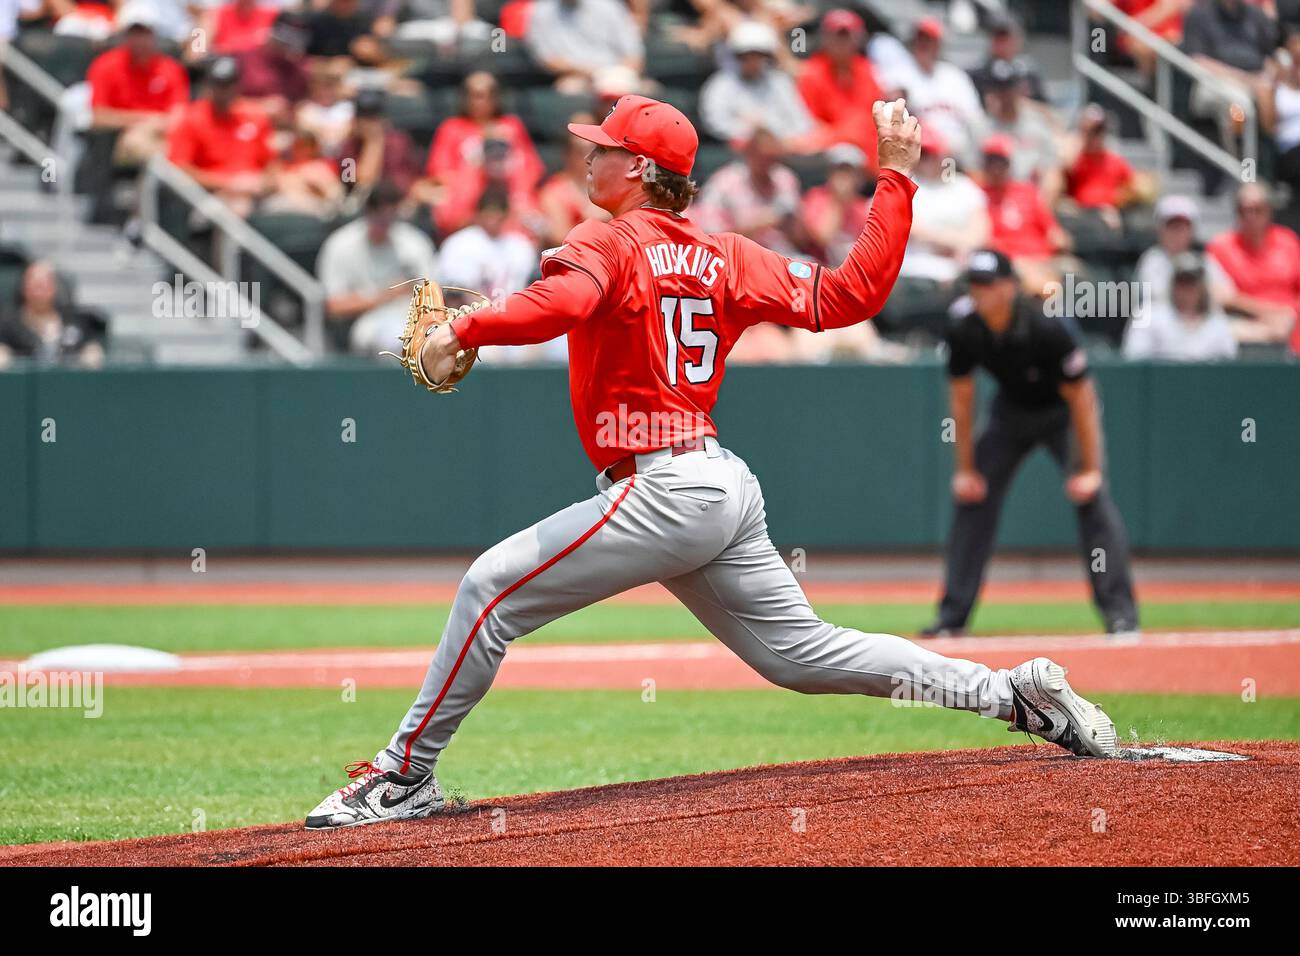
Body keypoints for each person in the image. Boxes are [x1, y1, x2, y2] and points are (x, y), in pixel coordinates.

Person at [304, 96, 1120, 830]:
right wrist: (896, 178)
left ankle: (403, 776)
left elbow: (568, 303)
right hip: (718, 481)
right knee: (801, 655)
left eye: (604, 147)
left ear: (643, 169)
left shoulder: (609, 238)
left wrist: (468, 326)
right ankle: (1012, 694)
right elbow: (851, 297)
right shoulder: (727, 253)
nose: (587, 156)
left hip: (663, 486)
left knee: (488, 588)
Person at [921, 249, 1139, 640]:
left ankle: (1121, 616)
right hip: (1011, 413)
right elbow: (961, 399)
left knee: (1093, 502)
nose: (979, 293)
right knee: (973, 499)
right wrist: (966, 469)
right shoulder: (965, 327)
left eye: (987, 285)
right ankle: (952, 618)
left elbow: (1083, 400)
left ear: (1009, 287)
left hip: (1064, 414)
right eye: (974, 285)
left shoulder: (1048, 325)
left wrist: (1090, 469)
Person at [315, 181, 439, 353]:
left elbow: (433, 298)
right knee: (395, 341)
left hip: (412, 316)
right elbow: (333, 307)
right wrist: (385, 295)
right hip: (367, 322)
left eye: (391, 216)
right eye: (380, 216)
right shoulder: (341, 244)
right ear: (368, 212)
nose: (385, 223)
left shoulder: (414, 243)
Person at [438, 187, 555, 364]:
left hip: (513, 319)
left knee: (548, 348)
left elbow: (532, 289)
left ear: (506, 215)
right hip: (472, 321)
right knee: (489, 354)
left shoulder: (520, 246)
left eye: (498, 214)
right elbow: (456, 294)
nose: (493, 220)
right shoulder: (460, 243)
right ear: (478, 214)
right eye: (488, 214)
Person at [167, 56, 276, 218]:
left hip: (256, 189)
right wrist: (229, 183)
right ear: (209, 86)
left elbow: (271, 163)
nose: (224, 91)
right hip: (210, 194)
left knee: (300, 202)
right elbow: (179, 170)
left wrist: (266, 182)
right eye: (219, 84)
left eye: (229, 84)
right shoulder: (191, 118)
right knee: (239, 206)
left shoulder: (255, 116)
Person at [85, 2, 190, 167]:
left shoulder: (171, 69)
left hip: (161, 134)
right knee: (139, 141)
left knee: (167, 146)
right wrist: (144, 120)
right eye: (134, 32)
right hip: (119, 138)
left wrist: (154, 125)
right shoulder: (105, 65)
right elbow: (99, 117)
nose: (139, 39)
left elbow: (179, 116)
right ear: (125, 34)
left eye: (144, 32)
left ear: (154, 34)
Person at [1206, 183, 1300, 348]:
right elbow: (1222, 298)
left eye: (1257, 209)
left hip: (1292, 327)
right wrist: (1270, 313)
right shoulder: (1220, 247)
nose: (1251, 216)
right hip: (1246, 330)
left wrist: (1290, 315)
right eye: (1244, 210)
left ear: (1269, 211)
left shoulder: (1288, 242)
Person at [693, 126, 806, 258]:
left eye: (774, 159)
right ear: (750, 153)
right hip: (740, 260)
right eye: (764, 158)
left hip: (786, 257)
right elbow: (711, 239)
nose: (769, 165)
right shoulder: (724, 183)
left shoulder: (784, 179)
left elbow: (803, 240)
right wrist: (758, 225)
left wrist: (792, 224)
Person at [699, 19, 814, 148]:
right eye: (746, 55)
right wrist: (747, 133)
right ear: (738, 56)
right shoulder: (720, 84)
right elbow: (714, 122)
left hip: (782, 149)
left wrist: (779, 136)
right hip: (738, 152)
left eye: (758, 55)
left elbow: (800, 122)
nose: (752, 61)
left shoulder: (780, 82)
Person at [796, 9, 884, 167]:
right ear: (825, 39)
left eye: (847, 36)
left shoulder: (868, 70)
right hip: (833, 153)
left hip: (870, 150)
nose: (842, 42)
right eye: (837, 36)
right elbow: (810, 126)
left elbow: (876, 117)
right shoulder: (811, 73)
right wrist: (848, 134)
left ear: (858, 40)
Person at [1124, 253, 1239, 360]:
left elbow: (1228, 363)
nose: (1186, 290)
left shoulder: (1217, 320)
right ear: (1172, 285)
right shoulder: (1149, 315)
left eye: (1192, 284)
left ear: (1201, 287)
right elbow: (1133, 358)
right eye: (1181, 283)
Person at [1132, 194, 1235, 315]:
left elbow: (1228, 295)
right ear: (1160, 230)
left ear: (1192, 231)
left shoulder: (1203, 259)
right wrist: (1204, 294)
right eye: (1172, 226)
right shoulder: (1152, 259)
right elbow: (1159, 300)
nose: (1178, 233)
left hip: (1200, 325)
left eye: (1183, 227)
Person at [0, 261, 105, 369]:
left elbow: (92, 346)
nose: (39, 287)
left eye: (45, 282)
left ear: (55, 286)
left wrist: (92, 351)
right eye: (34, 282)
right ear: (23, 287)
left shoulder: (73, 319)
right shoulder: (8, 323)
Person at [526, 0, 644, 92]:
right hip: (574, 76)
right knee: (569, 89)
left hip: (615, 74)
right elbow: (547, 60)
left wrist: (616, 74)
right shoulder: (541, 11)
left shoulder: (609, 6)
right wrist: (592, 73)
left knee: (648, 90)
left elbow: (633, 55)